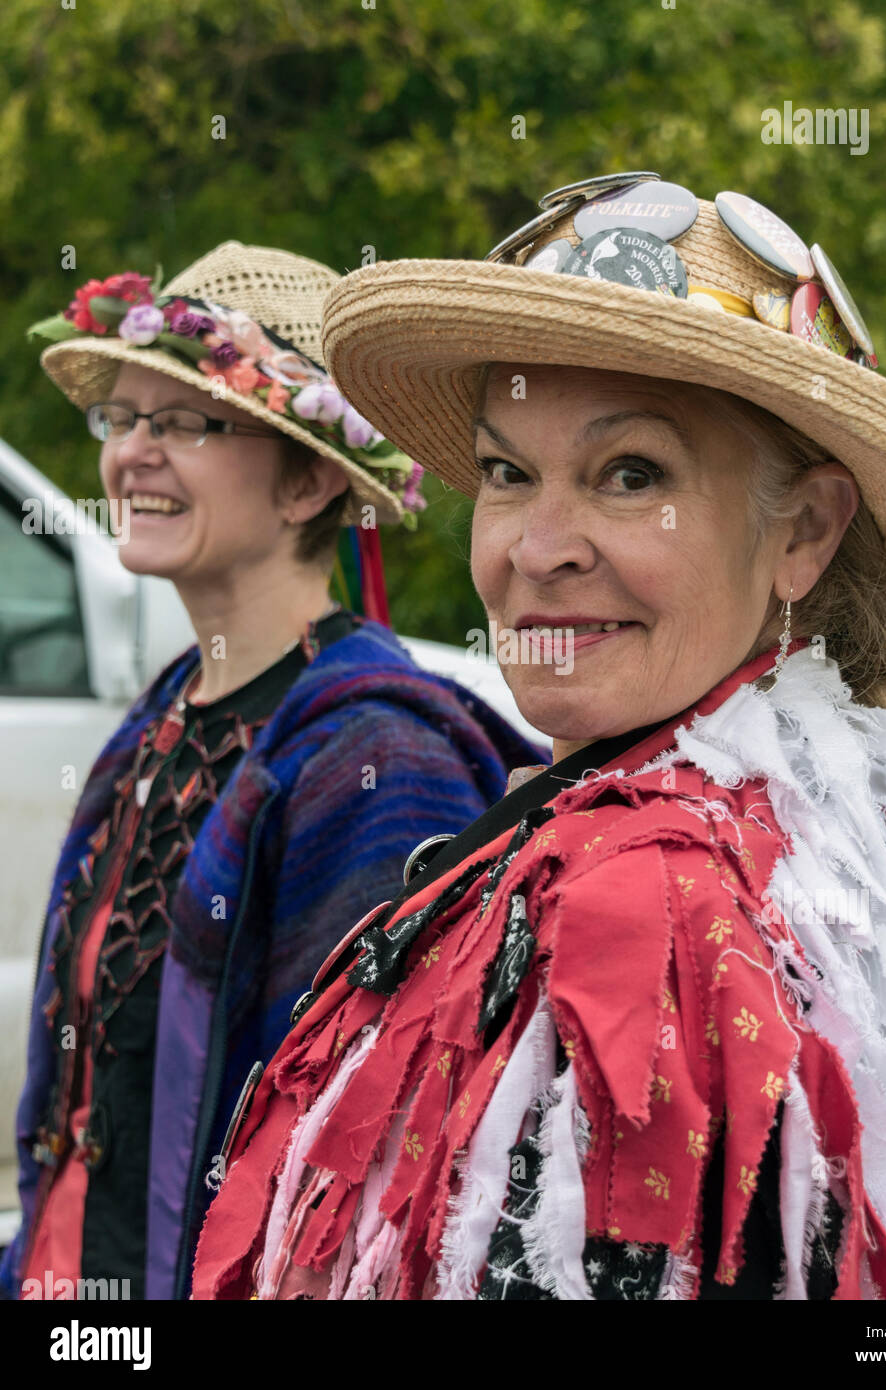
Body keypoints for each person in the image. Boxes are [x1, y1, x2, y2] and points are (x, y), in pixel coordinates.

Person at [191, 179, 886, 1300]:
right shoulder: (838, 842)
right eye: (507, 474)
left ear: (804, 531)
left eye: (629, 475)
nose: (538, 548)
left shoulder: (651, 902)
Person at [3, 241, 545, 1302]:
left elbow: (361, 1157)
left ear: (306, 480)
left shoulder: (377, 756)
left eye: (185, 425)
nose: (133, 457)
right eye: (125, 421)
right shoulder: (165, 714)